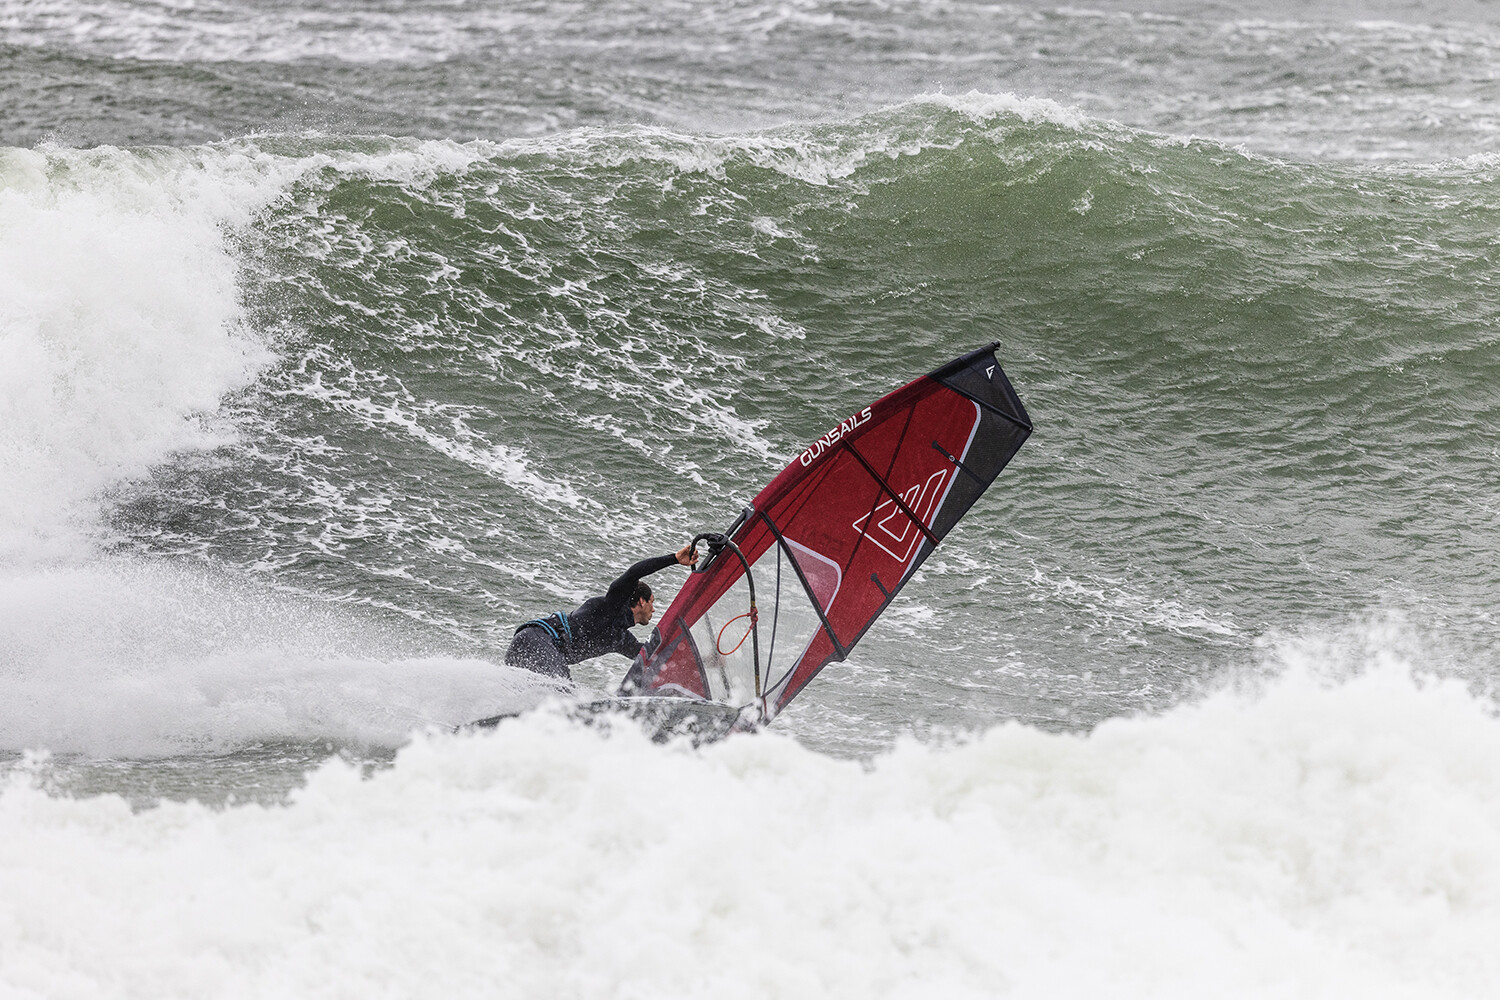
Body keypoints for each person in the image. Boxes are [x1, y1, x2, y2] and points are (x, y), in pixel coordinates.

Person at [504, 542, 698, 683]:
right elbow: (633, 574)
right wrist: (673, 559)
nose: (653, 609)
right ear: (641, 601)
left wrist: (705, 661)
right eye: (652, 603)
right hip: (535, 640)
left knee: (539, 700)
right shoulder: (610, 607)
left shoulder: (621, 639)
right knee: (563, 690)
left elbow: (653, 657)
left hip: (538, 654)